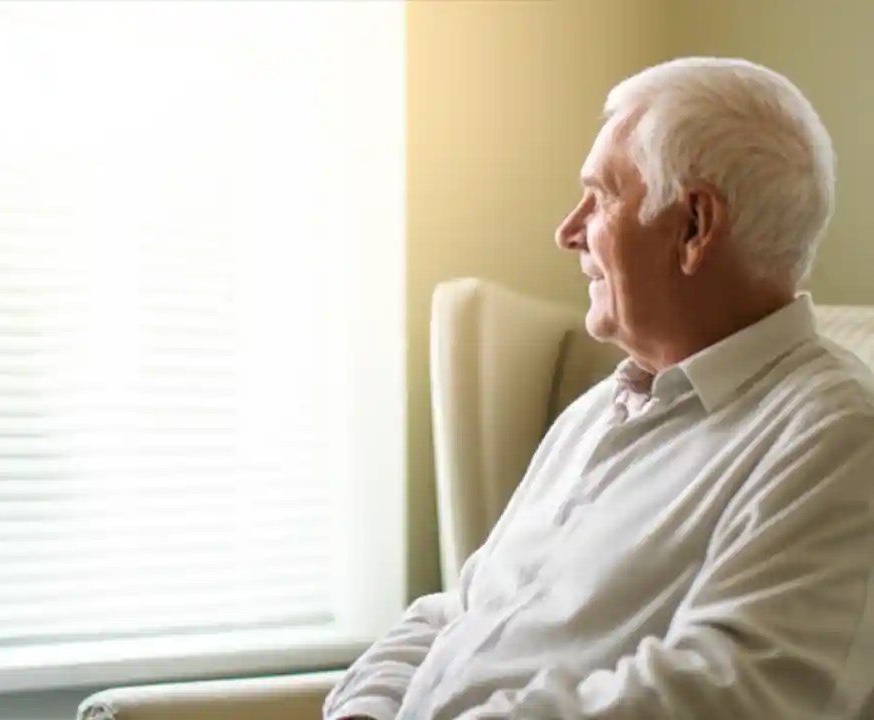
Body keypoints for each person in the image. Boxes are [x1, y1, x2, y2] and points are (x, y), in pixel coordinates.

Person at [325, 57, 874, 719]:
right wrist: (363, 709)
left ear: (695, 227)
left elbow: (730, 693)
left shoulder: (836, 437)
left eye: (601, 196)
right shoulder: (595, 414)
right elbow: (459, 610)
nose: (567, 231)